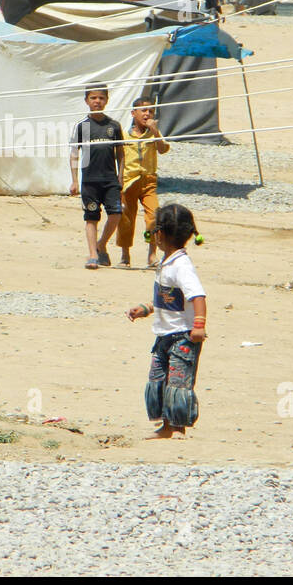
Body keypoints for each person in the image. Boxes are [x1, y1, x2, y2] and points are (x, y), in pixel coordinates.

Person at [126, 204, 207, 438]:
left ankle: (176, 426)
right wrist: (147, 308)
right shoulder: (167, 262)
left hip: (183, 335)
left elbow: (198, 296)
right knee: (158, 378)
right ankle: (165, 425)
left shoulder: (182, 266)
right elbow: (168, 298)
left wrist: (199, 326)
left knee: (178, 382)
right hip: (164, 333)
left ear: (160, 234)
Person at [69, 83, 125, 269]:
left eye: (101, 98)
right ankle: (93, 254)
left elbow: (121, 153)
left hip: (110, 179)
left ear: (106, 100)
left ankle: (101, 244)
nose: (97, 101)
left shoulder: (113, 126)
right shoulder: (83, 126)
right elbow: (74, 153)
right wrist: (75, 180)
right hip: (90, 180)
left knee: (116, 214)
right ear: (87, 101)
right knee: (91, 217)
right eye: (93, 98)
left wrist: (121, 175)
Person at [116, 97, 169, 268]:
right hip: (129, 182)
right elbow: (120, 158)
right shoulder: (125, 135)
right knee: (126, 219)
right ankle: (125, 255)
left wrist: (155, 132)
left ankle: (152, 254)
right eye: (143, 110)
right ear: (133, 113)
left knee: (154, 217)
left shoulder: (153, 134)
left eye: (150, 111)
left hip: (148, 182)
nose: (147, 114)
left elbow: (163, 149)